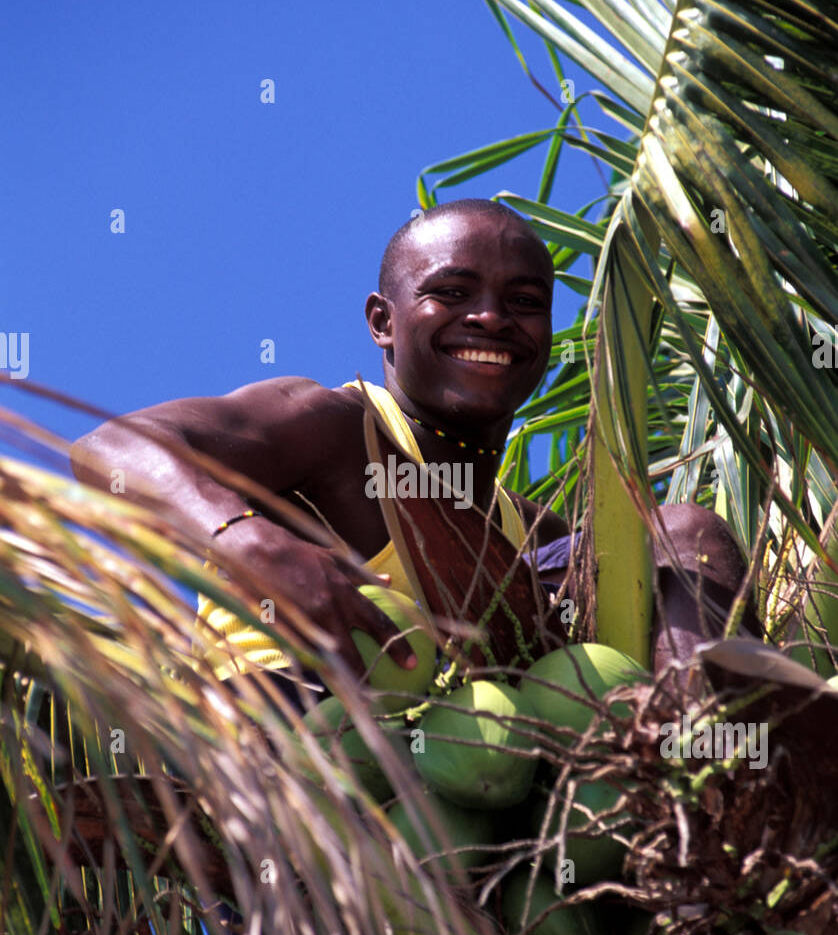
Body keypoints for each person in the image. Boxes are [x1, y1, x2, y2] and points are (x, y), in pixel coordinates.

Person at [70, 198, 755, 697]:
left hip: (478, 842)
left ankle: (700, 790)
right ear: (382, 322)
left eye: (523, 301)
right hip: (301, 811)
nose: (490, 317)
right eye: (451, 292)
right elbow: (109, 448)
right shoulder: (332, 426)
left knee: (682, 533)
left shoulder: (536, 539)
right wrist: (245, 539)